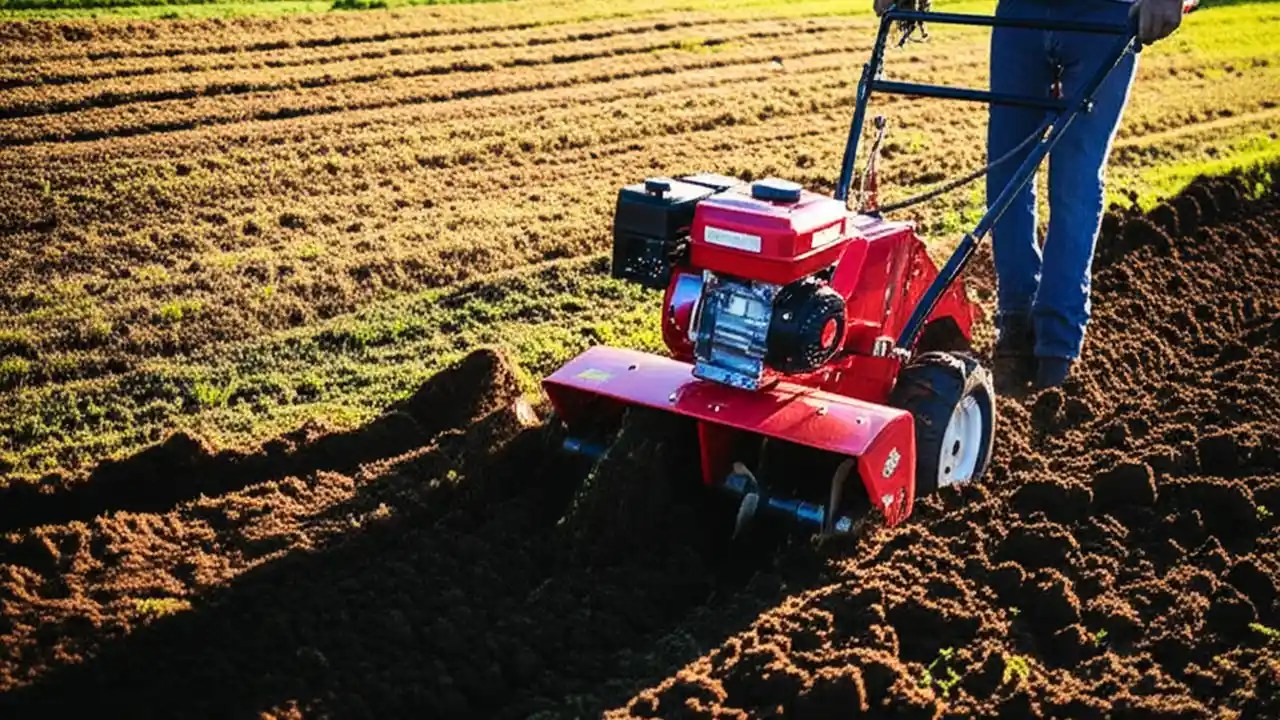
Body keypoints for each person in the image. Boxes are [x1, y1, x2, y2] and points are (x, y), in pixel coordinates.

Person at [875, 0, 1184, 390]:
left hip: (1106, 14)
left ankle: (1057, 346)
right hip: (1022, 13)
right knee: (1007, 172)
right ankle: (1016, 322)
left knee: (1074, 179)